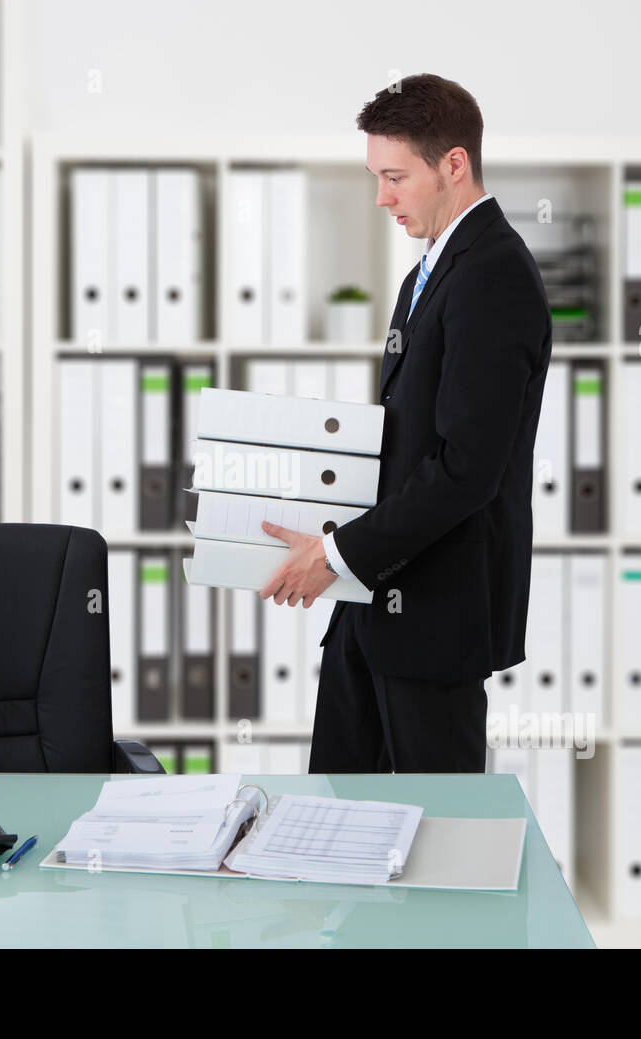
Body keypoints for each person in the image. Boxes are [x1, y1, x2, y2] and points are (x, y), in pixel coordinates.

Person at [259, 73, 552, 773]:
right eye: (376, 177)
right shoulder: (430, 270)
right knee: (331, 818)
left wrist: (335, 554)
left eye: (396, 176)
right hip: (374, 601)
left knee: (437, 841)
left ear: (454, 164)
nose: (382, 196)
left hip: (434, 616)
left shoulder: (493, 273)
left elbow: (466, 469)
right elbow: (408, 442)